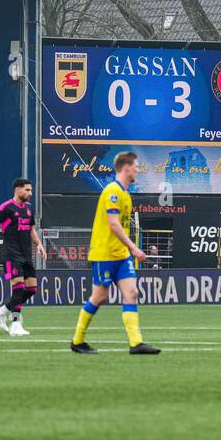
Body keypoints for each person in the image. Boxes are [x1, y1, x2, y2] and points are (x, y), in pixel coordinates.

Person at [70, 152, 159, 355]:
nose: (138, 169)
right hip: (104, 253)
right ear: (126, 168)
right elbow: (113, 224)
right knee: (99, 297)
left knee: (131, 293)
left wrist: (127, 250)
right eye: (136, 166)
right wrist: (134, 248)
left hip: (121, 255)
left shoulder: (126, 194)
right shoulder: (112, 191)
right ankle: (77, 340)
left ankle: (136, 343)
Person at [0, 178, 48, 337]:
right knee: (18, 287)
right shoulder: (6, 207)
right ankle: (15, 324)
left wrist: (39, 244)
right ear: (17, 190)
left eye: (31, 190)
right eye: (27, 190)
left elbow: (31, 229)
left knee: (31, 289)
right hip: (11, 254)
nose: (30, 193)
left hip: (26, 254)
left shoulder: (28, 208)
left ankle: (2, 311)